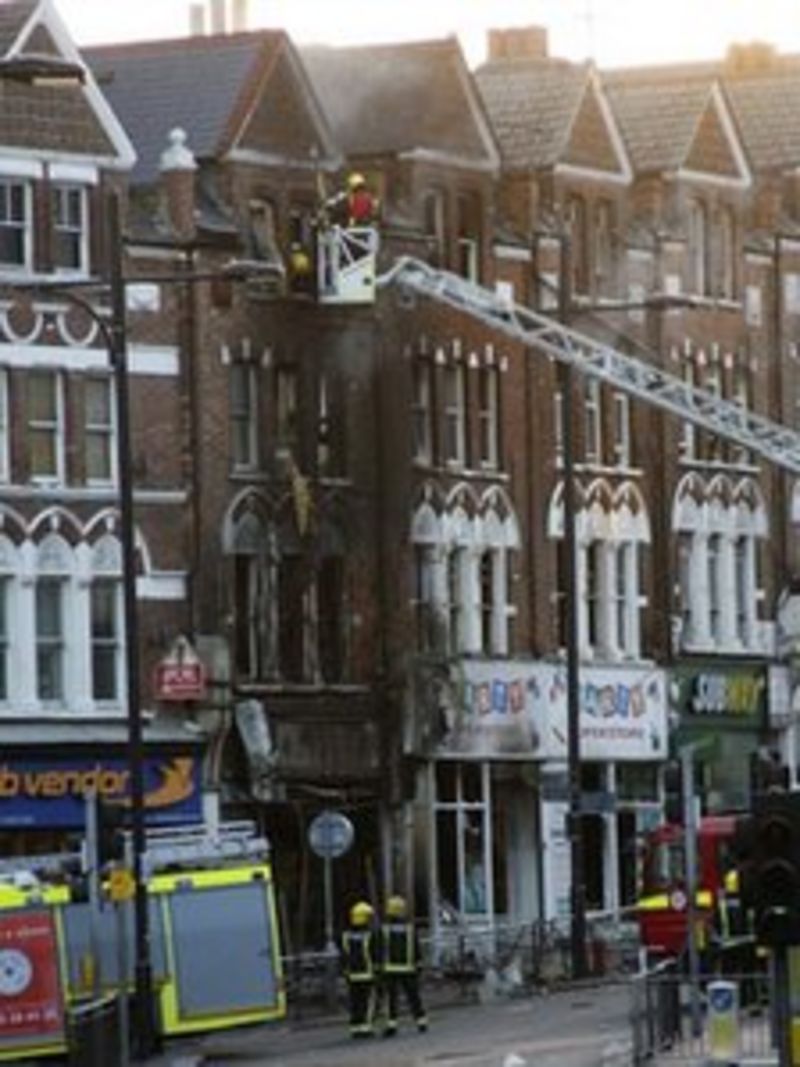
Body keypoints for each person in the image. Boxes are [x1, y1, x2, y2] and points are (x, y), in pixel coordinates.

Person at [378, 894, 428, 1037]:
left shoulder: (384, 930)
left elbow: (380, 949)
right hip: (409, 968)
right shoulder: (410, 929)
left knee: (392, 999)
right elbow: (416, 948)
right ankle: (421, 1022)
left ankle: (391, 1025)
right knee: (414, 997)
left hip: (390, 969)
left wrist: (379, 967)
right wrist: (419, 964)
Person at [340, 900, 377, 1038]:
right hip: (367, 973)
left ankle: (355, 1027)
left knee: (355, 1002)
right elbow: (375, 954)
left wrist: (345, 971)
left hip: (352, 974)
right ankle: (366, 1027)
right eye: (369, 917)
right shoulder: (369, 935)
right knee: (367, 1002)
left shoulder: (346, 936)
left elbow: (344, 956)